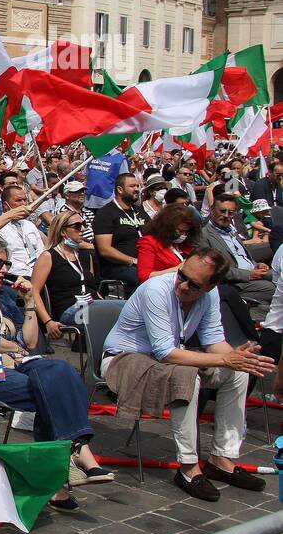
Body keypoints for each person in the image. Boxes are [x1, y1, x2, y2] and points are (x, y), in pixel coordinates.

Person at [0, 235, 113, 512]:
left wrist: (30, 301)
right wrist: (15, 346)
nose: (5, 270)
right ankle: (67, 465)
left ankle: (68, 461)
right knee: (49, 389)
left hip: (18, 364)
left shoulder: (4, 298)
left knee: (62, 370)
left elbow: (31, 341)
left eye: (6, 263)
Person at [101, 247, 274, 501]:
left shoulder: (210, 295)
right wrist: (226, 358)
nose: (183, 285)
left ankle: (221, 458)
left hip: (167, 358)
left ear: (210, 286)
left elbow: (214, 339)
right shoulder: (156, 290)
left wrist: (240, 361)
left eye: (194, 284)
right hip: (124, 360)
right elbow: (165, 353)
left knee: (237, 374)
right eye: (182, 276)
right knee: (186, 376)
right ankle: (188, 468)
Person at [29, 209, 106, 336]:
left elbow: (93, 288)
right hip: (70, 307)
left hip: (93, 303)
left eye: (84, 224)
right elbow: (34, 291)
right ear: (63, 231)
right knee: (101, 317)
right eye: (77, 226)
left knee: (123, 310)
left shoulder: (86, 256)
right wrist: (48, 321)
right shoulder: (49, 256)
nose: (82, 229)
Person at [201, 193, 275, 304]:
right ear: (212, 209)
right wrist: (248, 275)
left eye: (230, 213)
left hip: (253, 271)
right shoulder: (204, 235)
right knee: (272, 288)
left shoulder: (230, 230)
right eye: (222, 211)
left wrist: (256, 264)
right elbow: (213, 269)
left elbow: (242, 255)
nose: (226, 215)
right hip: (235, 281)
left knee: (279, 276)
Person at [93, 172, 145, 295]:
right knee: (142, 278)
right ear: (120, 189)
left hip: (144, 262)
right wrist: (133, 261)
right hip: (119, 267)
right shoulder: (106, 213)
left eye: (138, 186)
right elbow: (105, 249)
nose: (137, 189)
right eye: (132, 186)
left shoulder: (139, 211)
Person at [137, 203, 199, 283]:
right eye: (180, 231)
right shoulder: (149, 242)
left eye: (187, 232)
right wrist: (176, 270)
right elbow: (144, 276)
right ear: (167, 227)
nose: (184, 235)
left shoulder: (185, 244)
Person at [0, 183, 45, 285]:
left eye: (25, 200)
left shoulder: (30, 225)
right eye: (19, 200)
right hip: (16, 279)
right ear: (6, 205)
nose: (24, 204)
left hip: (41, 276)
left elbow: (41, 252)